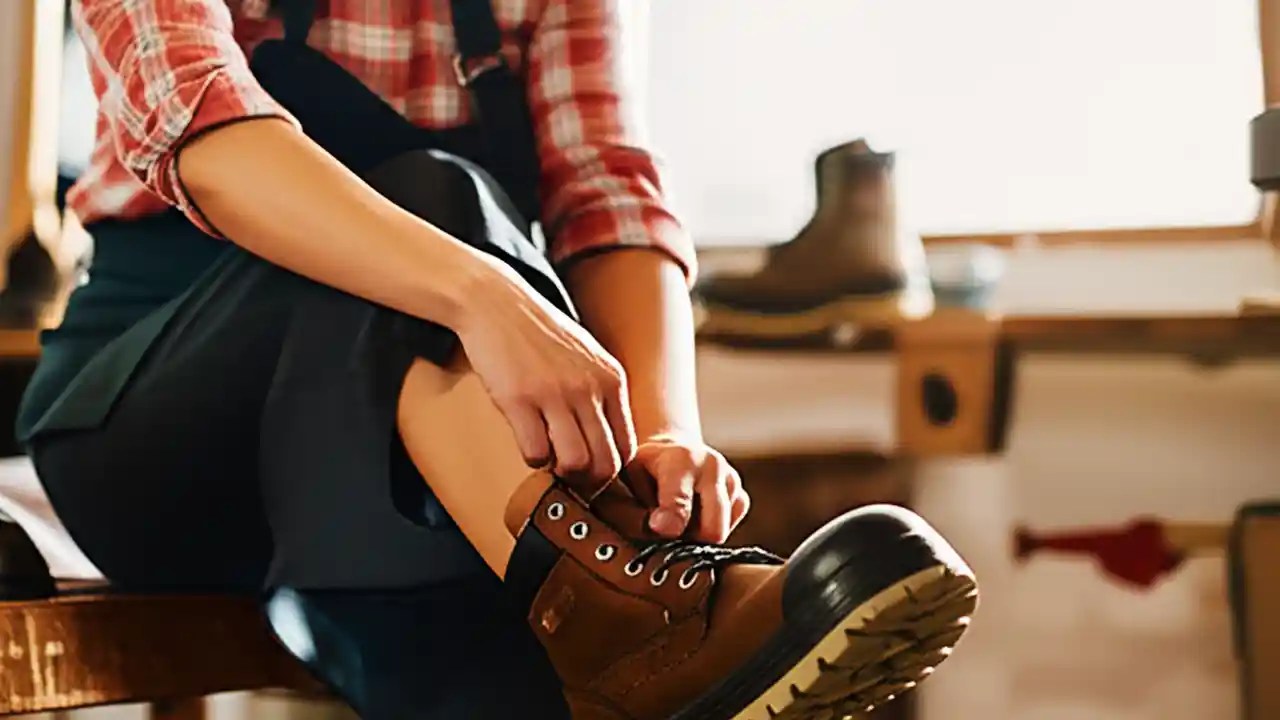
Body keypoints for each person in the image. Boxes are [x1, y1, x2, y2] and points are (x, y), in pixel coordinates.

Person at [17, 1, 979, 718]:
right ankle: (643, 610)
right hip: (162, 438)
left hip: (405, 485)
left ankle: (622, 594)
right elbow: (204, 131)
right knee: (437, 201)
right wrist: (482, 296)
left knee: (519, 680)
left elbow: (608, 196)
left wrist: (660, 439)